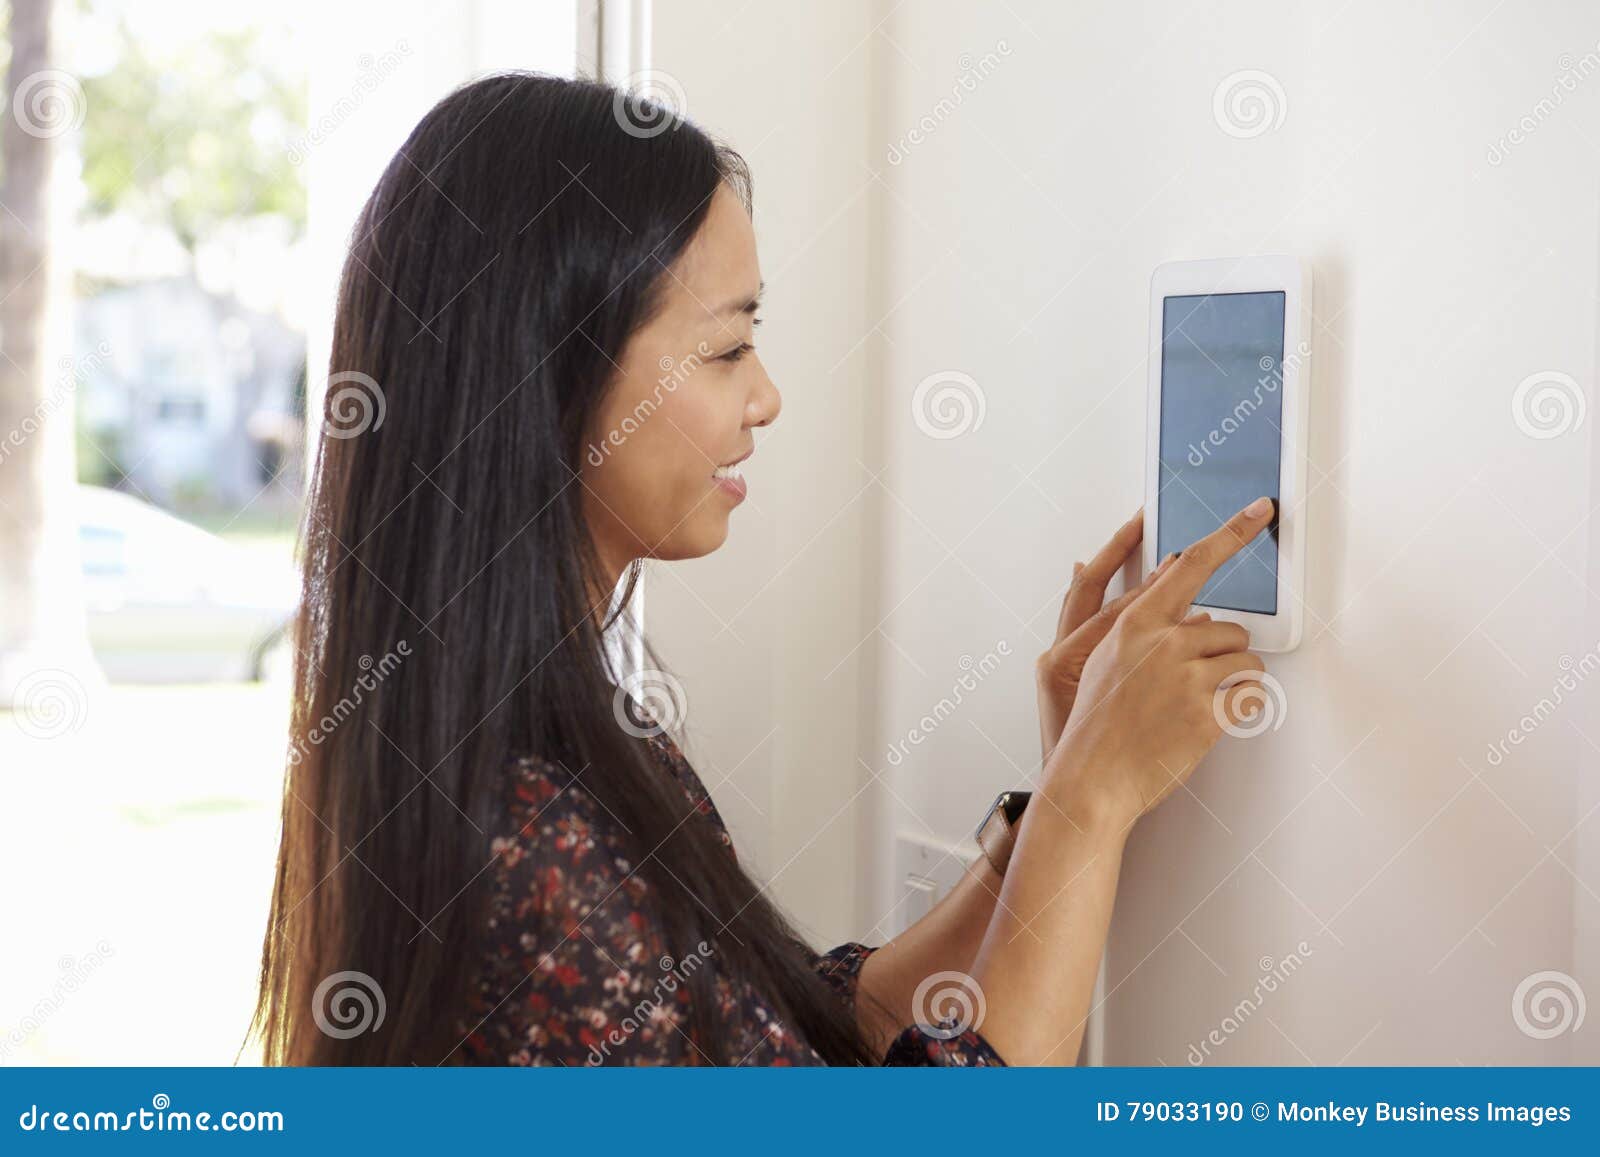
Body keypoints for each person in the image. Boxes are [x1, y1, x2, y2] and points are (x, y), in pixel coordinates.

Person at [252, 72, 1270, 1067]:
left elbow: (791, 1032)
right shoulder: (530, 839)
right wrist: (1088, 801)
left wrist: (1046, 802)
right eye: (727, 347)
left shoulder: (552, 746)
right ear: (548, 380)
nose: (767, 396)